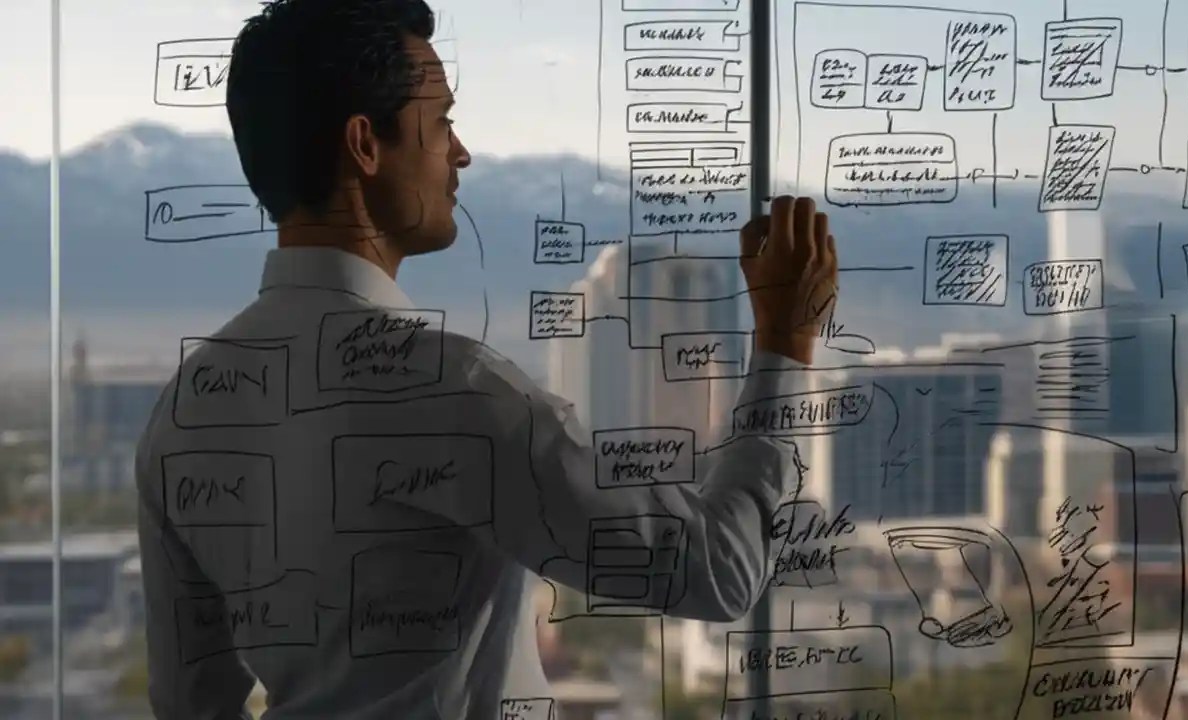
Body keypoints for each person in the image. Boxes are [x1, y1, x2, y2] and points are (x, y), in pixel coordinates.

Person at [132, 0, 839, 717]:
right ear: (364, 145)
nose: (460, 152)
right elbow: (716, 572)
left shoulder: (184, 410)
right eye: (440, 123)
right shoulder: (451, 389)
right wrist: (783, 345)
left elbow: (191, 703)